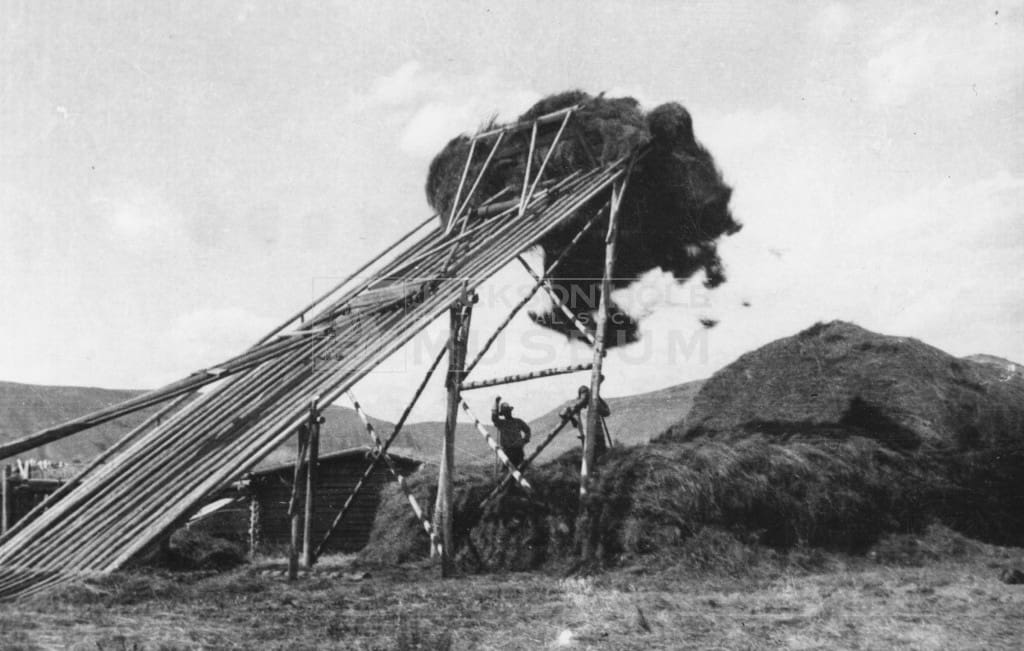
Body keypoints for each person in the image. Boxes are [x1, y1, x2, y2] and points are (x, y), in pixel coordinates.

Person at [491, 396, 531, 468]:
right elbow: (494, 418)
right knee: (507, 471)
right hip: (507, 451)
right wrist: (496, 403)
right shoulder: (501, 423)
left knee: (520, 470)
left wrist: (525, 440)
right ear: (503, 414)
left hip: (518, 451)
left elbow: (527, 430)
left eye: (508, 411)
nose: (507, 413)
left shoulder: (518, 421)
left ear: (510, 411)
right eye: (505, 412)